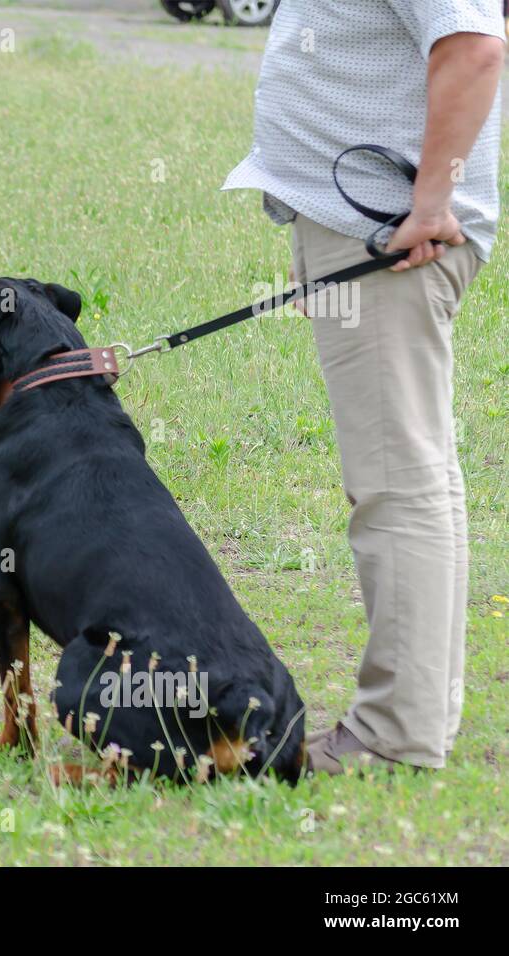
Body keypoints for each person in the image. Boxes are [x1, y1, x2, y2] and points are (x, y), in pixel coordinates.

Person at [222, 1, 504, 774]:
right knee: (417, 479)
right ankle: (419, 717)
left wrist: (431, 203)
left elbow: (476, 48)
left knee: (396, 484)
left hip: (393, 234)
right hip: (365, 224)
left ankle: (393, 736)